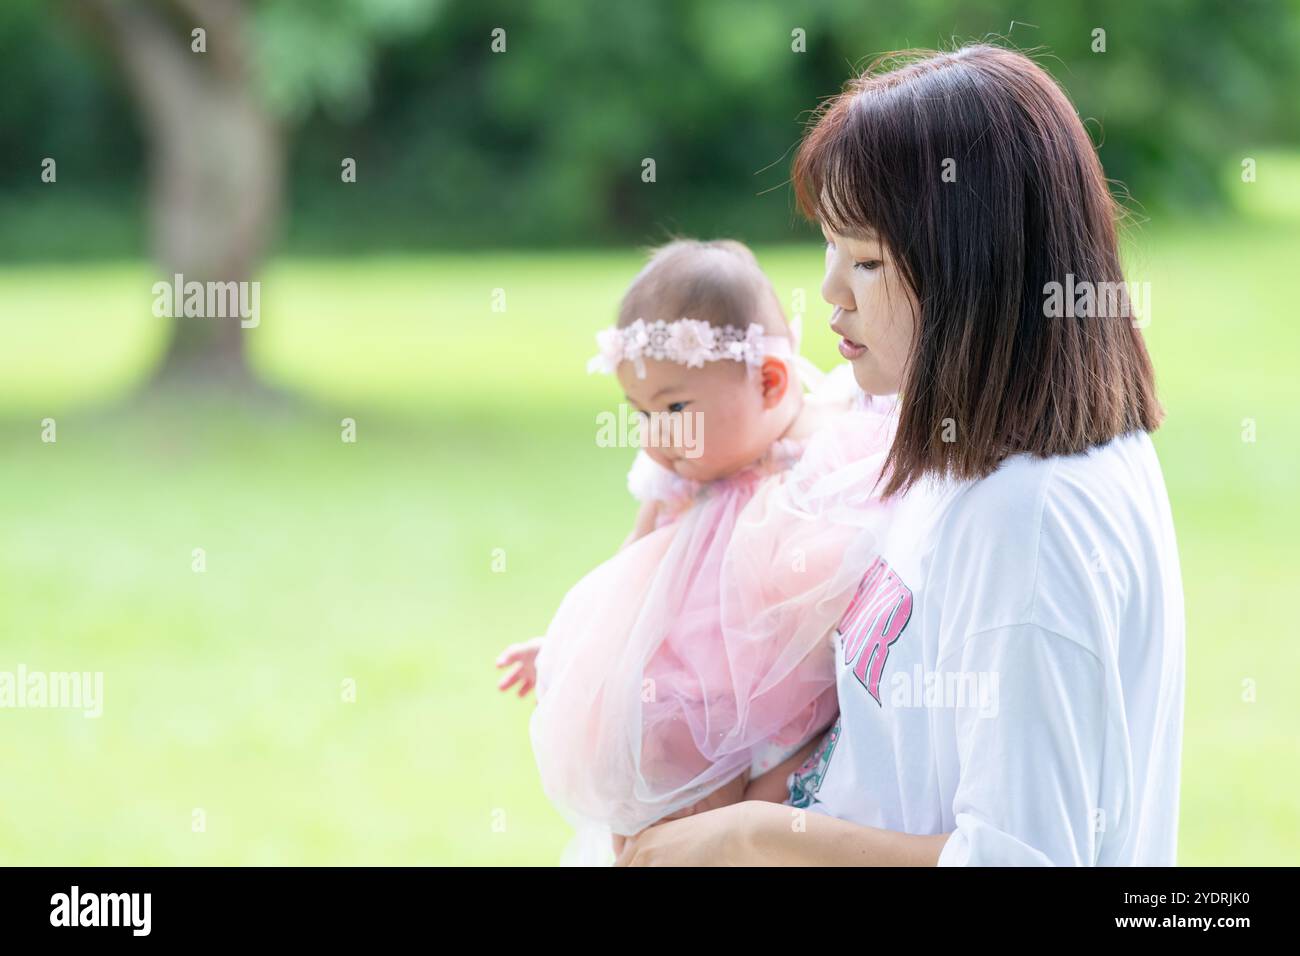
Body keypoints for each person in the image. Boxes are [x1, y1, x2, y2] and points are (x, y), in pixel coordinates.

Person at [616, 45, 1184, 867]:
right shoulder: (943, 433)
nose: (830, 294)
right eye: (831, 249)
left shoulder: (1029, 522)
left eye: (869, 261)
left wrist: (751, 837)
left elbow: (1020, 858)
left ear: (978, 269)